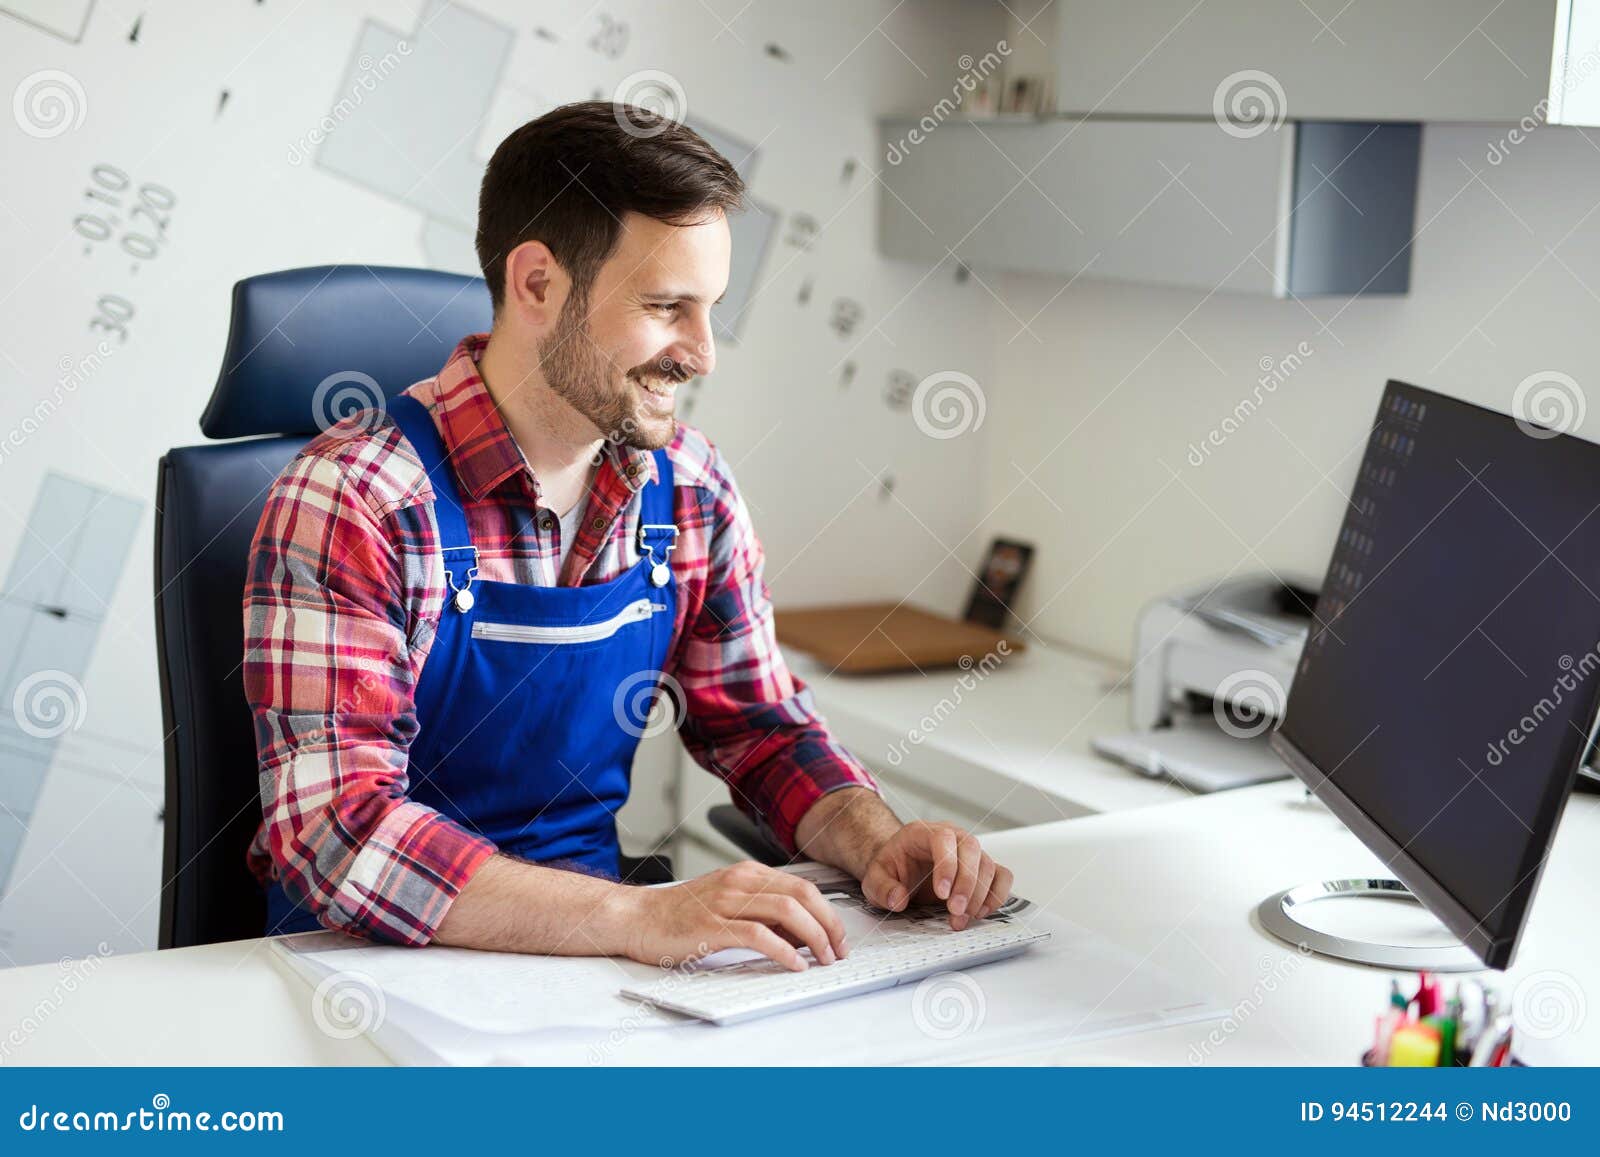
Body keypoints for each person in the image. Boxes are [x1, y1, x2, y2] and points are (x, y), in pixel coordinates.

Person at [243, 102, 1013, 971]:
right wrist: (634, 916)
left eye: (709, 309)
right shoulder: (356, 500)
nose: (702, 353)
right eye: (665, 306)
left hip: (591, 968)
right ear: (538, 284)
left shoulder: (691, 489)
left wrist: (875, 839)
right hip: (361, 975)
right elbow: (338, 834)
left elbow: (760, 726)